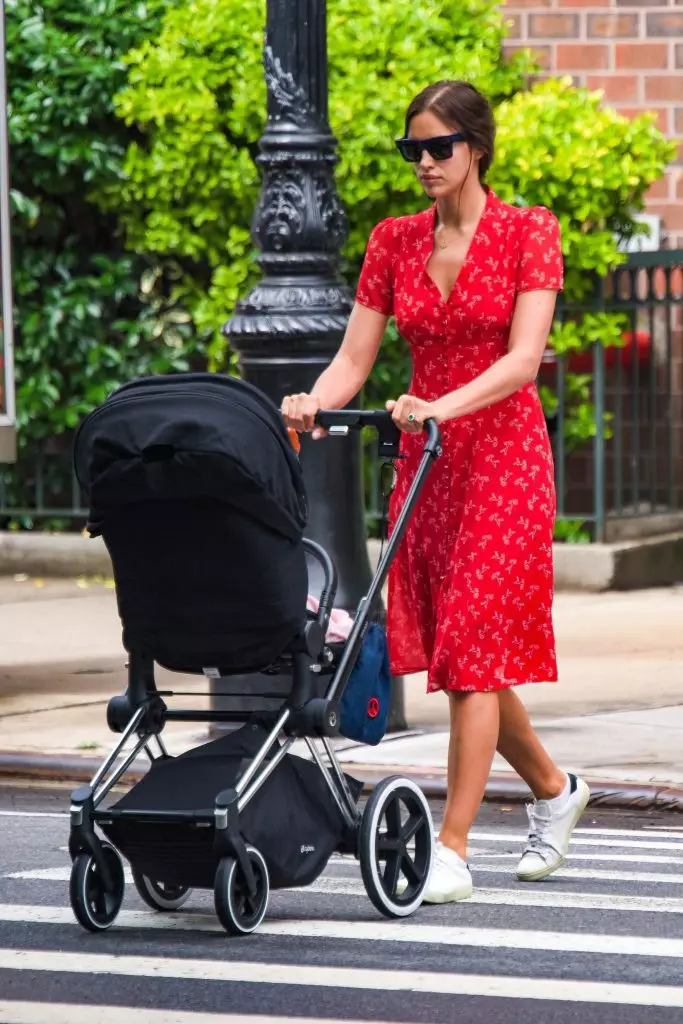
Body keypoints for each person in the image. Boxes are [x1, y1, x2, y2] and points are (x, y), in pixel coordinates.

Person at [280, 80, 590, 904]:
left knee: (473, 647)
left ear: (475, 148)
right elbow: (353, 358)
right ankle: (556, 793)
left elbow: (523, 361)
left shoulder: (529, 232)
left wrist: (434, 407)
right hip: (428, 469)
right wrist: (316, 400)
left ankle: (451, 845)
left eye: (437, 148)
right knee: (466, 658)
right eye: (410, 150)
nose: (422, 163)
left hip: (505, 461)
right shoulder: (393, 242)